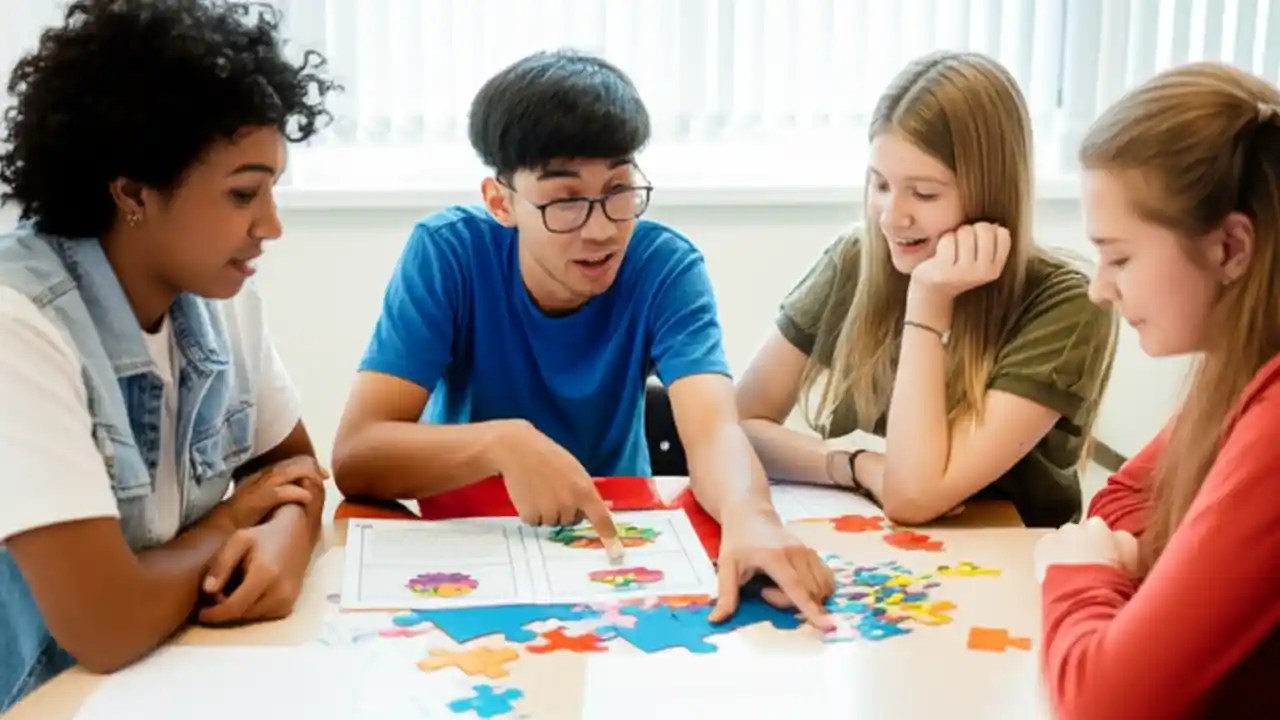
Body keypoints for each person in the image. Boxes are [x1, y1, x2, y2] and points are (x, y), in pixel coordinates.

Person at [332, 49, 835, 627]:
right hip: (465, 548)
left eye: (619, 189)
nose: (601, 229)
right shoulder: (447, 254)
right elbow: (356, 456)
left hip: (622, 545)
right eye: (566, 200)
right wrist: (502, 445)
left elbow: (715, 430)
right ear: (501, 202)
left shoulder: (665, 266)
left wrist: (753, 518)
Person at [0, 0, 337, 709]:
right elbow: (105, 622)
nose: (269, 226)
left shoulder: (219, 292)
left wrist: (283, 538)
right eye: (244, 192)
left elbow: (297, 472)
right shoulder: (18, 323)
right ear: (133, 192)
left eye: (272, 189)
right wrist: (225, 527)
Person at [736, 51, 1116, 528]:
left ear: (992, 193)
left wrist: (927, 305)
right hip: (870, 558)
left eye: (924, 193)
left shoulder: (1067, 304)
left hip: (1003, 574)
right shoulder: (860, 255)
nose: (893, 217)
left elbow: (913, 496)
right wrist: (856, 464)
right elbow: (735, 427)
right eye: (880, 185)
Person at [1035, 62, 1280, 719]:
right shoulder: (1242, 365)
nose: (1099, 288)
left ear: (1230, 247)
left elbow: (1103, 704)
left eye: (1119, 257)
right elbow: (1120, 505)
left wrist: (1081, 575)